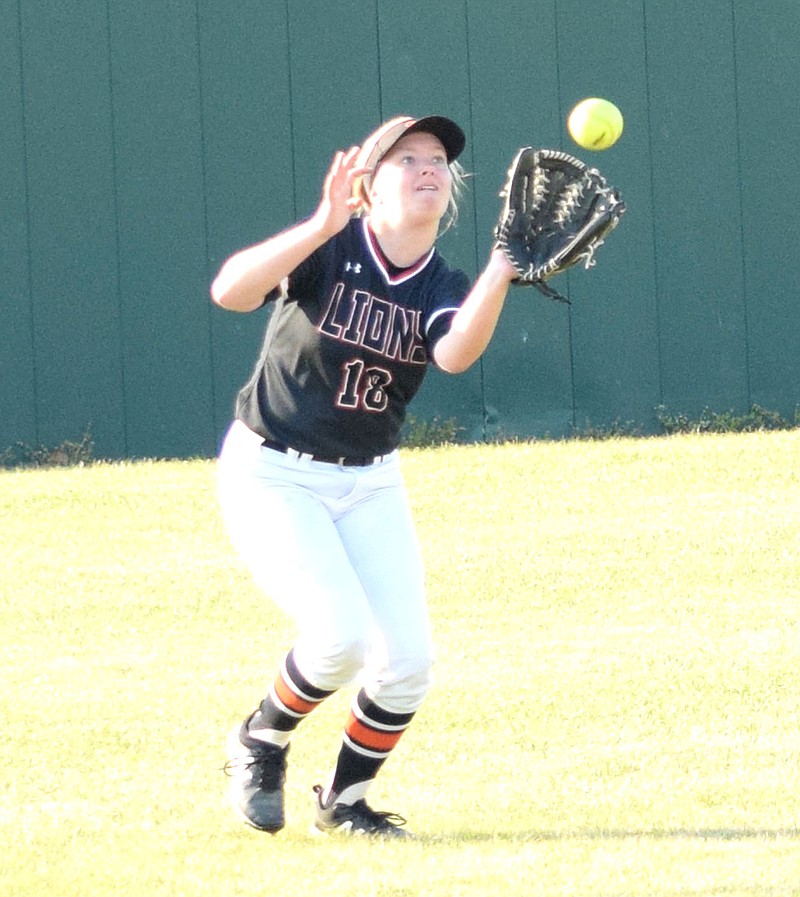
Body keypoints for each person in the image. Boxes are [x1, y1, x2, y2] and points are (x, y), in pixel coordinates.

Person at [212, 115, 517, 838]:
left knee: (407, 662)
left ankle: (344, 803)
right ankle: (261, 736)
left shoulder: (443, 282)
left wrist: (503, 267)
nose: (428, 167)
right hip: (274, 470)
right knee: (339, 636)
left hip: (370, 482)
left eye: (438, 158)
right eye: (406, 158)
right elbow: (229, 291)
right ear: (367, 185)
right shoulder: (332, 248)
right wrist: (320, 225)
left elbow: (454, 355)